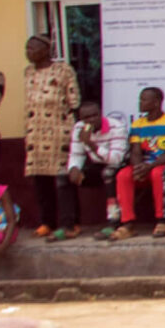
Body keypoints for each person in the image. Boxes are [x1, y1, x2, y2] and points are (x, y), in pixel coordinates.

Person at [20, 34, 79, 239]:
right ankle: (47, 222)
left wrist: (75, 132)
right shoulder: (28, 72)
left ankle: (70, 222)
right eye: (27, 49)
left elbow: (74, 103)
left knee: (63, 179)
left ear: (46, 50)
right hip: (35, 133)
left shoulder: (63, 71)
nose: (28, 53)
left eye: (32, 48)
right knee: (40, 180)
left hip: (59, 131)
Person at [116, 87, 165, 240]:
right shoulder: (138, 124)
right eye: (141, 99)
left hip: (164, 164)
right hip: (144, 166)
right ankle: (127, 223)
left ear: (156, 102)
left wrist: (150, 166)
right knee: (123, 175)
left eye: (144, 99)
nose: (140, 103)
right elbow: (135, 151)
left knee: (158, 173)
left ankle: (163, 220)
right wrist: (138, 167)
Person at [58, 99, 125, 240]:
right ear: (81, 119)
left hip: (119, 165)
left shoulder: (116, 127)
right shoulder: (78, 128)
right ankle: (69, 226)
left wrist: (90, 143)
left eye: (95, 115)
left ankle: (114, 222)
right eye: (87, 118)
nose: (91, 120)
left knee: (108, 173)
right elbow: (76, 154)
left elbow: (115, 158)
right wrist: (74, 168)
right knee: (63, 177)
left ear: (100, 114)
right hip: (97, 164)